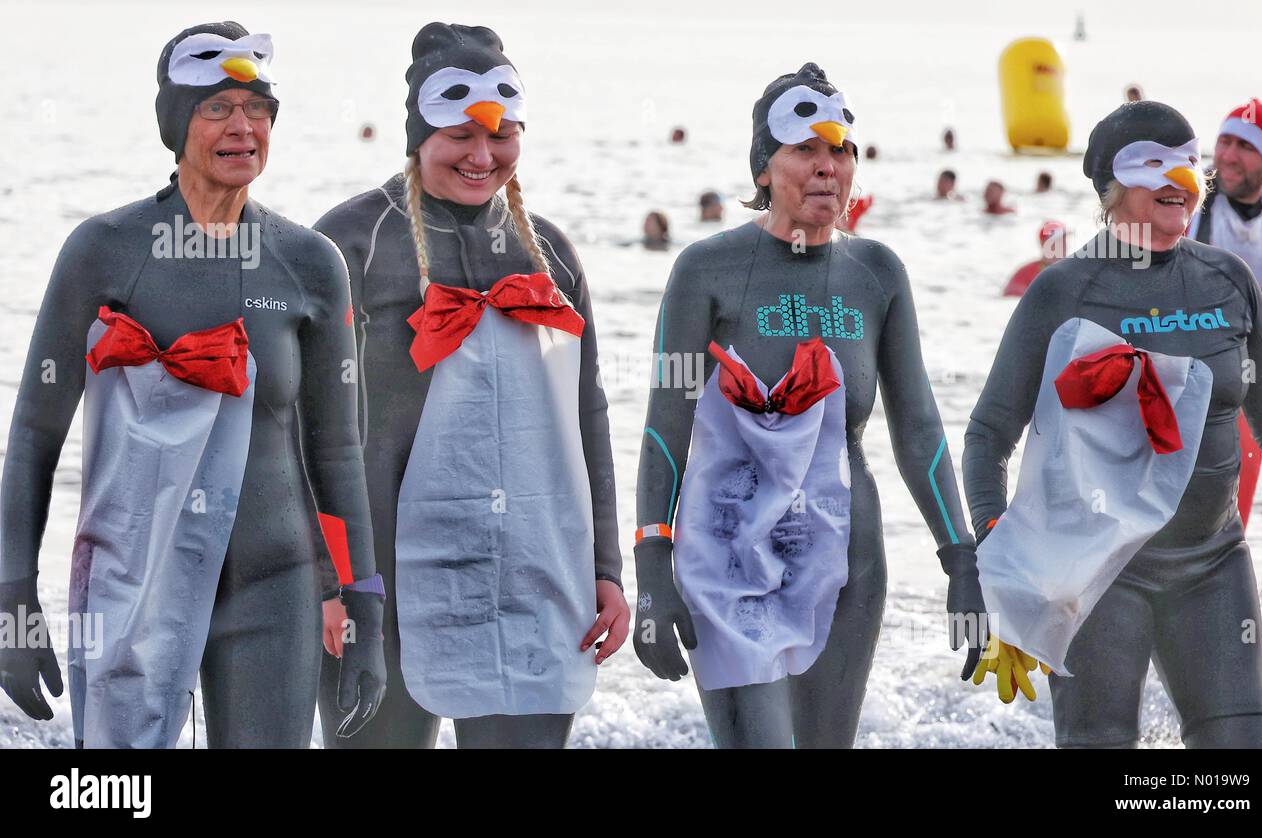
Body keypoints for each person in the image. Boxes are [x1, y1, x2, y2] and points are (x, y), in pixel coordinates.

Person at [0, 21, 385, 748]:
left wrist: (364, 601)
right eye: (217, 107)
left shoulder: (310, 263)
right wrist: (12, 598)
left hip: (276, 583)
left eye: (258, 108)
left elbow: (338, 452)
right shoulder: (104, 251)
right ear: (177, 124)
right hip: (130, 582)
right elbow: (32, 438)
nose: (243, 127)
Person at [632, 63, 982, 748]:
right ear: (764, 167)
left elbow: (918, 428)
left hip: (848, 557)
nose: (828, 167)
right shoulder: (706, 270)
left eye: (840, 151)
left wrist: (961, 559)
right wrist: (651, 564)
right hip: (727, 556)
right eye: (805, 149)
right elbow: (666, 427)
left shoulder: (876, 274)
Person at [313, 22, 628, 749]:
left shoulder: (547, 252)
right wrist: (329, 583)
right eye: (459, 135)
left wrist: (604, 568)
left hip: (533, 573)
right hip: (379, 581)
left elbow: (588, 415)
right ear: (418, 134)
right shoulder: (349, 243)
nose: (483, 156)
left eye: (503, 134)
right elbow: (303, 427)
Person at [964, 101, 1262, 748]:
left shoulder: (1226, 280)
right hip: (1096, 574)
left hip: (1214, 565)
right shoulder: (1061, 292)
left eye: (1188, 164)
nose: (1182, 179)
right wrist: (999, 557)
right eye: (1157, 165)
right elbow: (988, 435)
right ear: (1112, 188)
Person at [1188, 99, 1262, 526]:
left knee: (1233, 521)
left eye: (1245, 146)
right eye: (1225, 141)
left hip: (1255, 394)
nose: (1229, 155)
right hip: (1182, 385)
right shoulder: (1182, 212)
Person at [1003, 220, 1066, 296]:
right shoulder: (1024, 273)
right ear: (1044, 243)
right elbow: (1011, 297)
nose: (1063, 244)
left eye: (1064, 239)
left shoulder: (1071, 271)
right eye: (1057, 241)